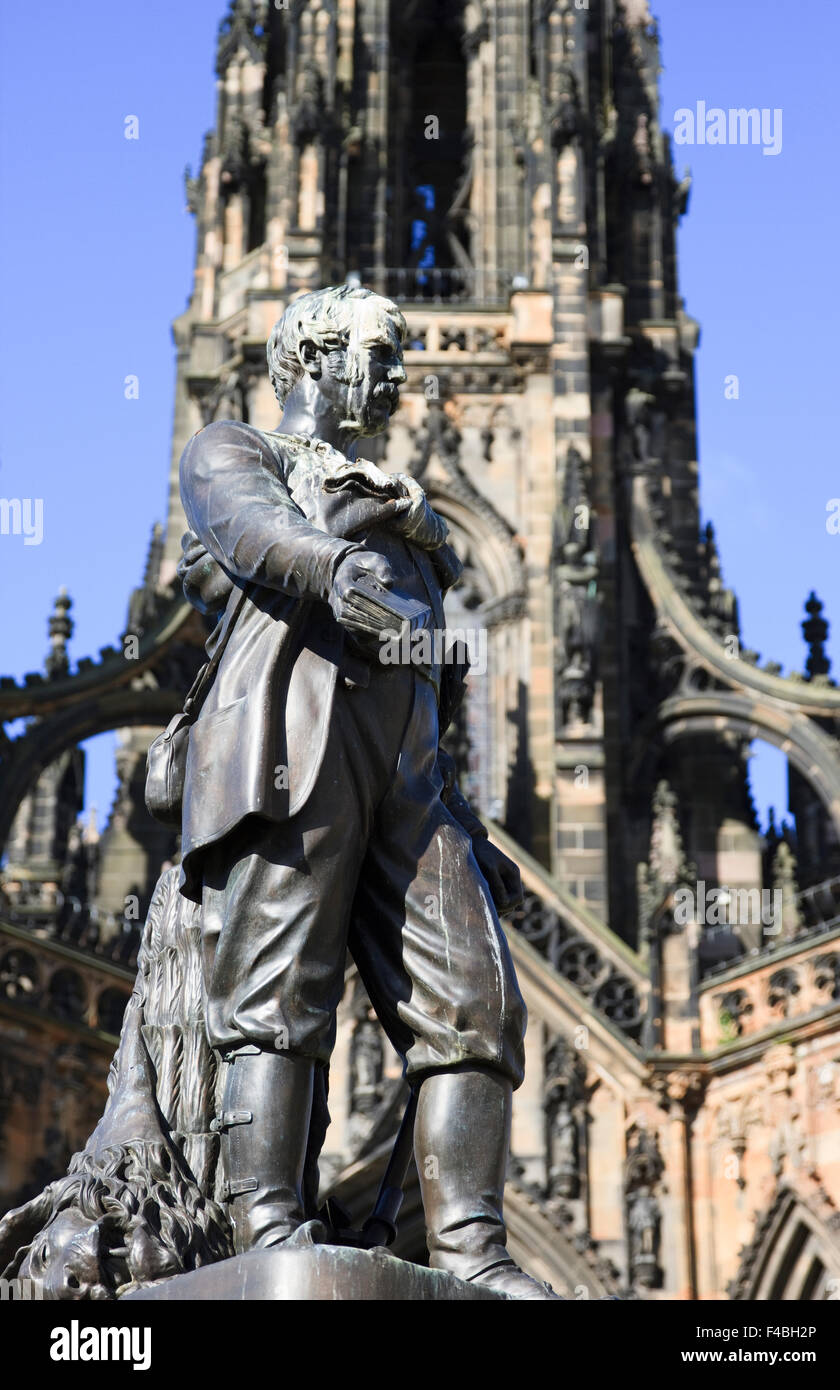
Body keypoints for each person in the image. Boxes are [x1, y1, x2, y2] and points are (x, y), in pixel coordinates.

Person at [175, 283, 557, 1298]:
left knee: (473, 998)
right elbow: (248, 531)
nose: (394, 375)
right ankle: (268, 1223)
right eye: (373, 354)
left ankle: (474, 1247)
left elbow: (433, 673)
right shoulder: (236, 448)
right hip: (290, 751)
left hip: (408, 782)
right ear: (305, 361)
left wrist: (468, 821)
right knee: (276, 997)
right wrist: (334, 556)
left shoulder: (411, 512)